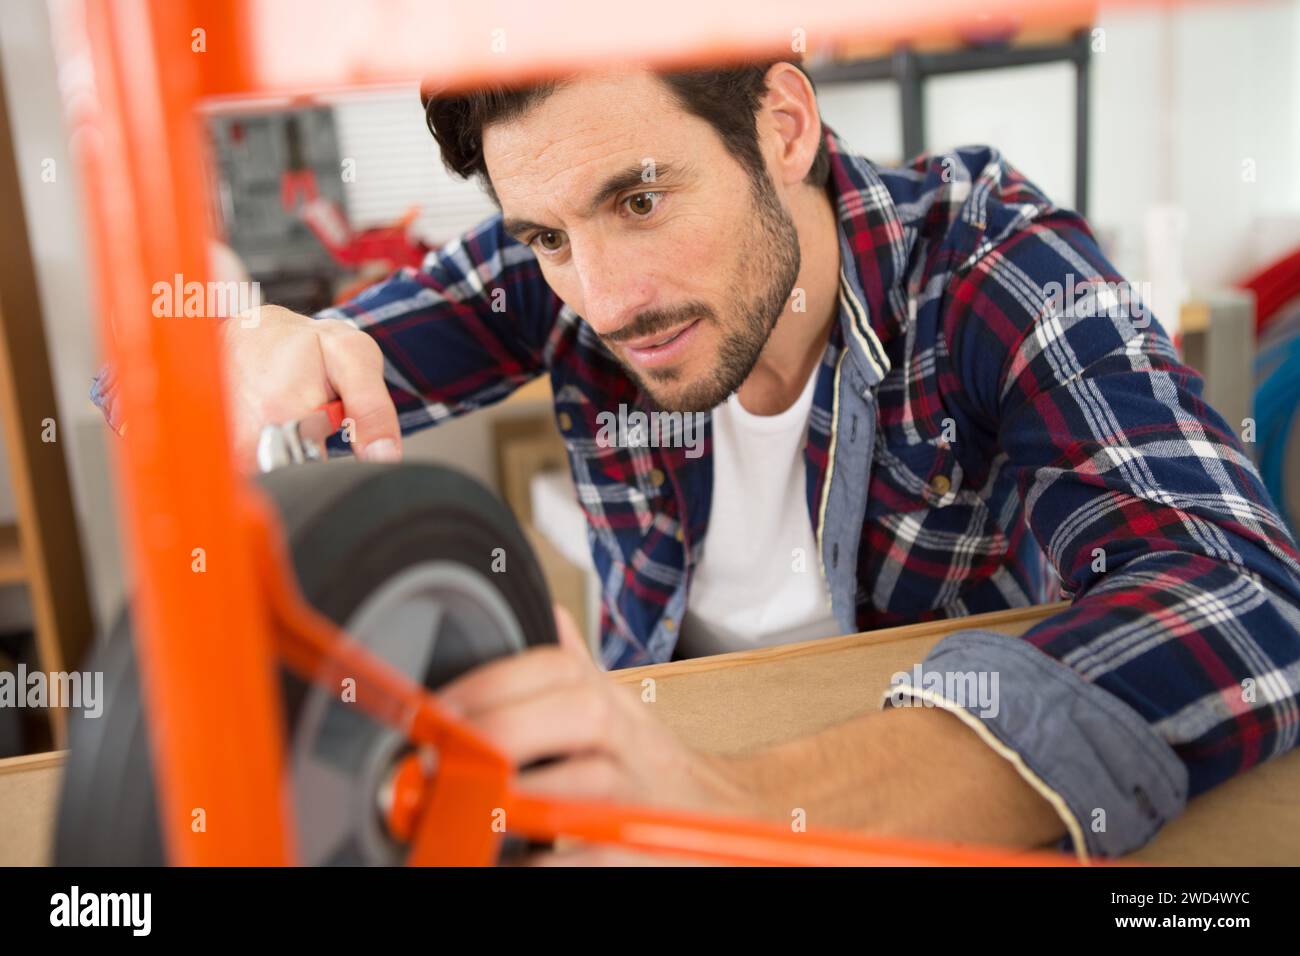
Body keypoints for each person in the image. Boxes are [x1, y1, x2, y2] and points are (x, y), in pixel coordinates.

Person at [92, 59, 1300, 863]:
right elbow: (225, 375)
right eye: (547, 235)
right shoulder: (558, 269)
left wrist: (722, 798)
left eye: (643, 199)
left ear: (782, 125)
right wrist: (238, 349)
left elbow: (1247, 601)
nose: (605, 297)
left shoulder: (992, 263)